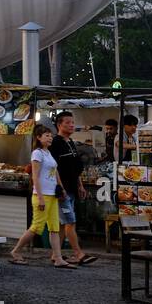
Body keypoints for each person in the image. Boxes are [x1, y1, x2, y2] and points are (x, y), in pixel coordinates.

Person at [8, 125, 71, 267]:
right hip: (41, 196)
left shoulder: (48, 153)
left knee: (54, 227)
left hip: (52, 196)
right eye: (47, 135)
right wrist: (41, 197)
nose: (50, 138)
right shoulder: (37, 153)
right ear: (38, 137)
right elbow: (35, 177)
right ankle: (15, 251)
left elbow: (55, 172)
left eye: (51, 135)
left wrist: (61, 187)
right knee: (36, 227)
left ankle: (58, 257)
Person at [48, 111, 96, 265]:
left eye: (72, 122)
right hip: (62, 190)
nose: (71, 125)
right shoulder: (55, 143)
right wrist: (60, 188)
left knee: (63, 224)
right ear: (59, 125)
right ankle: (79, 253)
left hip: (72, 188)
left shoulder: (71, 142)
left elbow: (74, 168)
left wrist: (80, 185)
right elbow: (54, 169)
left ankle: (56, 255)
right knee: (70, 221)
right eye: (67, 122)